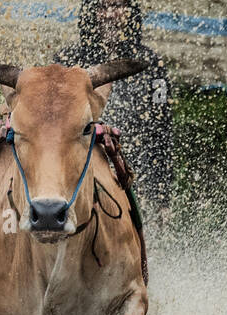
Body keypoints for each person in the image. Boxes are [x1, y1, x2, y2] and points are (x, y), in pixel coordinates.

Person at [55, 0, 174, 214]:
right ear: (91, 12)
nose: (111, 13)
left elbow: (161, 132)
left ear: (131, 11)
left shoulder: (149, 63)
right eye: (103, 6)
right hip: (81, 178)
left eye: (119, 5)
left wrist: (161, 195)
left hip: (135, 176)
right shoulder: (68, 62)